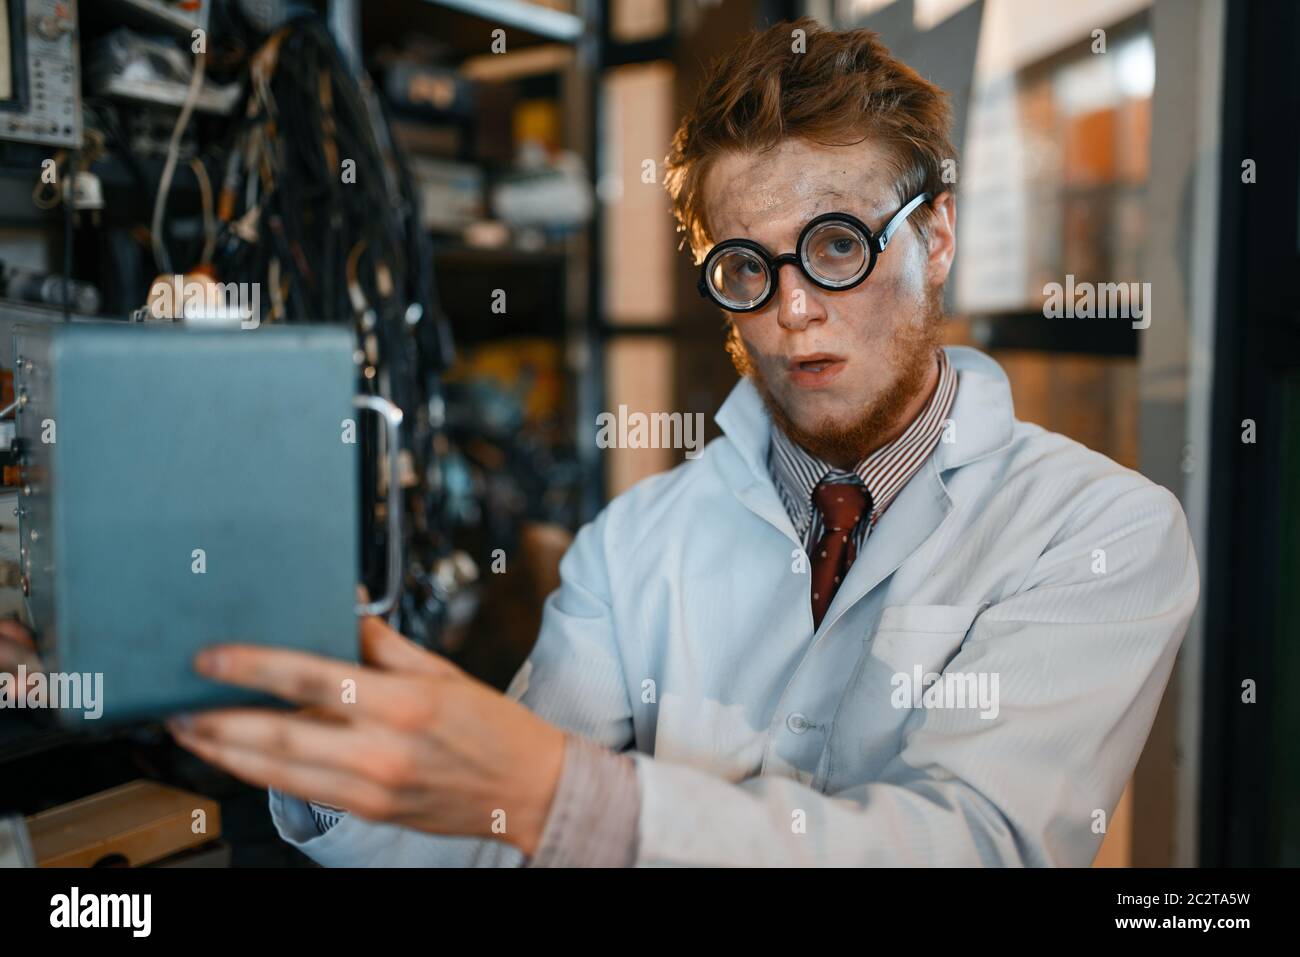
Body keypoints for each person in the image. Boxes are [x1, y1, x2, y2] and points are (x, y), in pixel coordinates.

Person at [7, 19, 1199, 866]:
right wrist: (265, 683)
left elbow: (974, 847)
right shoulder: (639, 542)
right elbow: (489, 841)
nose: (790, 310)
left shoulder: (1098, 532)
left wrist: (566, 798)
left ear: (934, 235)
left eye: (837, 245)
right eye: (745, 268)